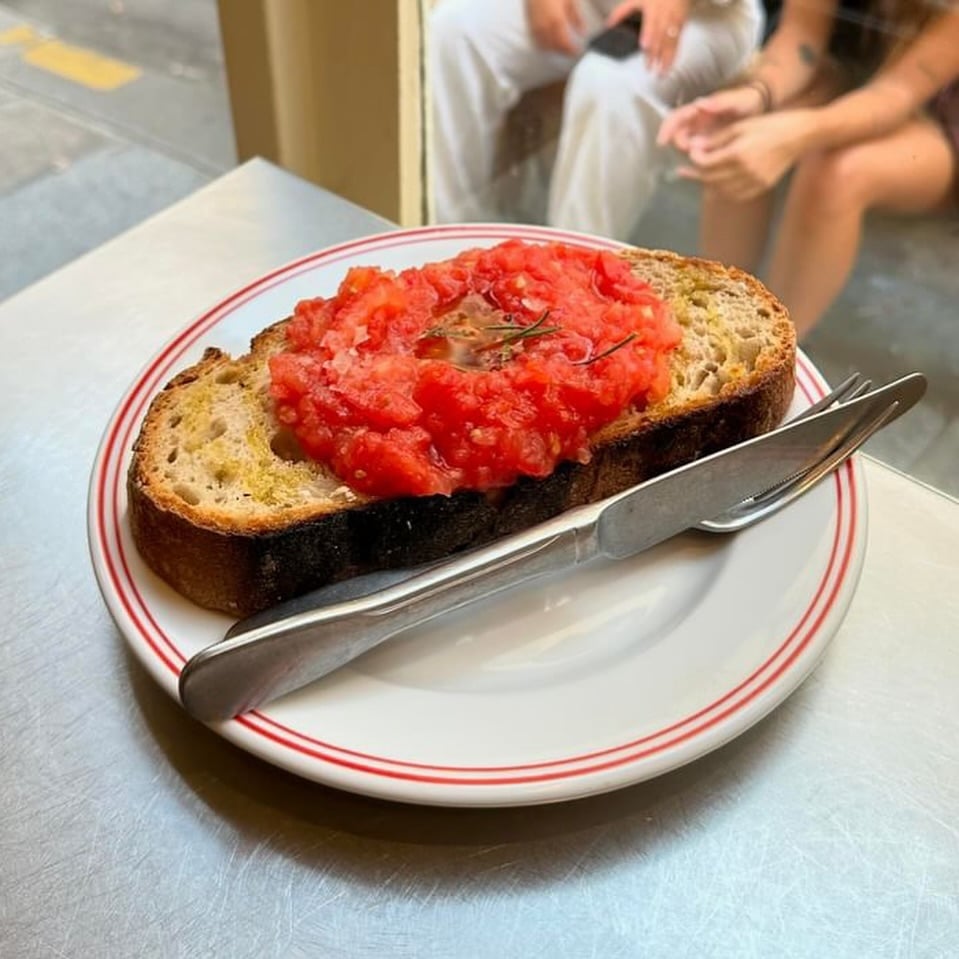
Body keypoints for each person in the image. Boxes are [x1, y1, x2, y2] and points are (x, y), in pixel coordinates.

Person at [657, 0, 959, 337]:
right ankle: (710, 312)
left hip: (938, 114)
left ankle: (778, 345)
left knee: (841, 173)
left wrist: (796, 135)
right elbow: (801, 38)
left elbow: (896, 93)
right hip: (855, 73)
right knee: (741, 128)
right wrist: (757, 94)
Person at [430, 0, 765, 242]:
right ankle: (451, 241)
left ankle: (573, 279)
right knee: (454, 30)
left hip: (707, 13)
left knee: (609, 85)